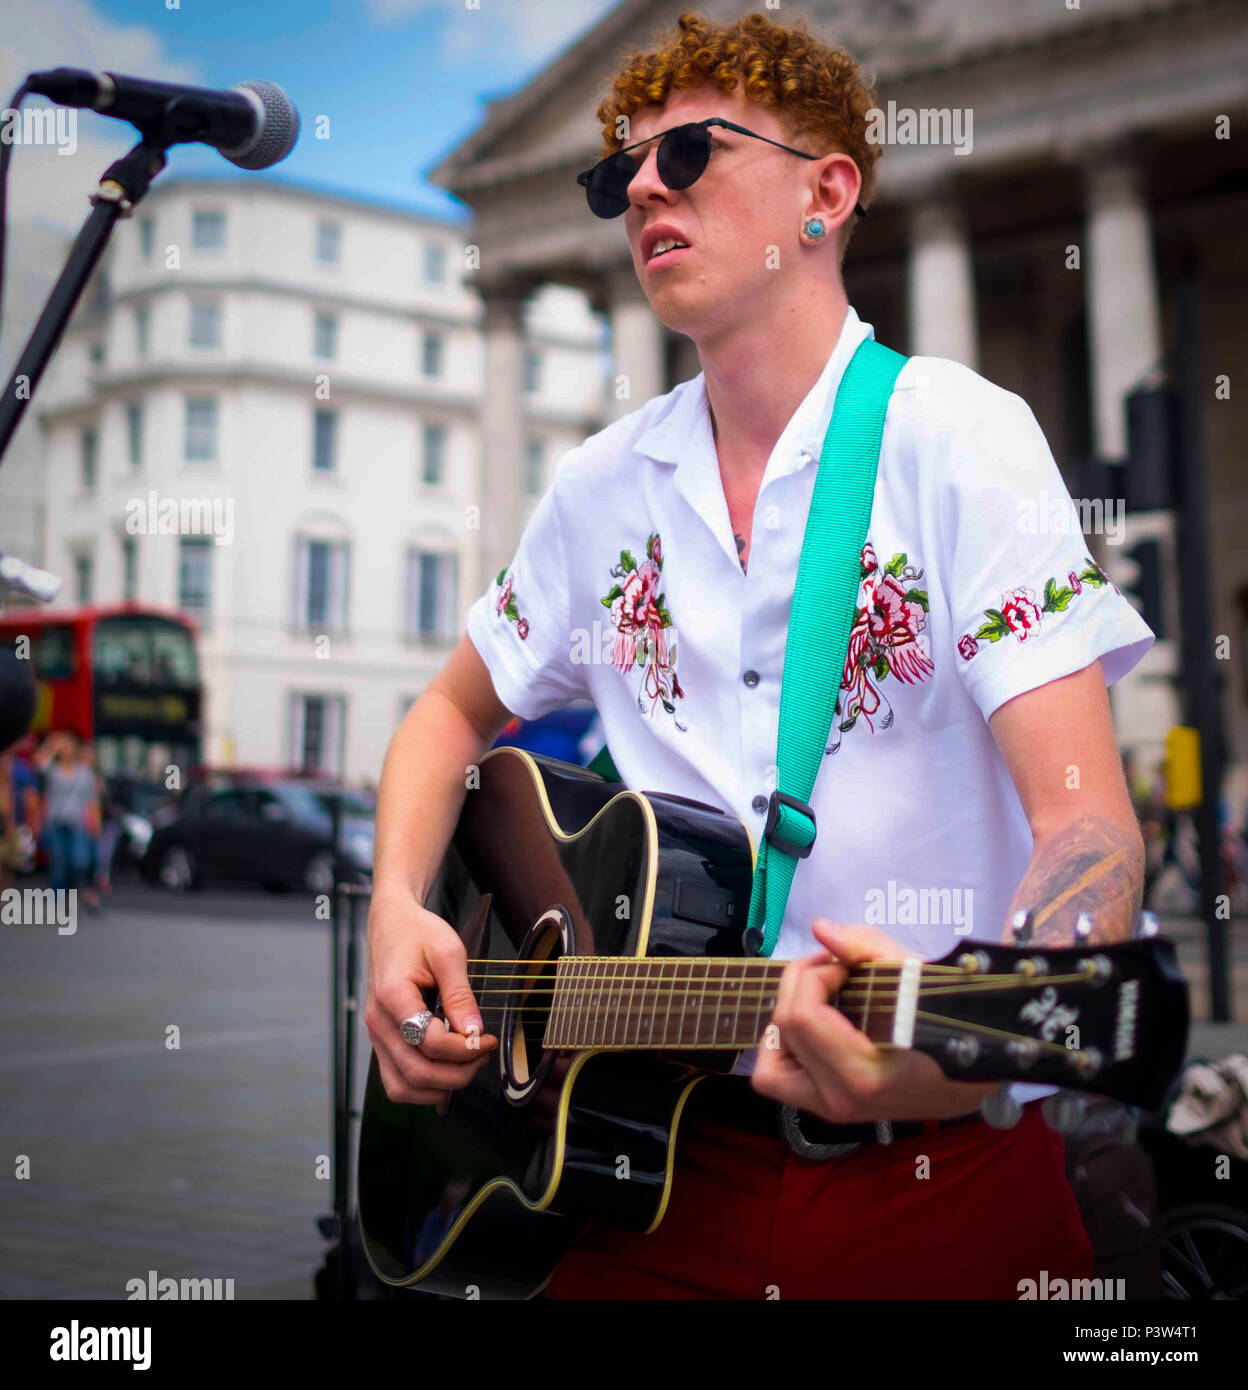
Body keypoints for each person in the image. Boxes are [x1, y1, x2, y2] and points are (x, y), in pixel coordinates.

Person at [365, 10, 1154, 1299]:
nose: (643, 191)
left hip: (935, 1186)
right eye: (619, 172)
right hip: (631, 1190)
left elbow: (1089, 825)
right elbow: (446, 717)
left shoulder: (958, 439)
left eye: (690, 153)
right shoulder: (599, 486)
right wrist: (397, 908)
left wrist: (970, 1042)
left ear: (825, 194)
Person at [35, 731, 100, 906]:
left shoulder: (84, 772)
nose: (67, 749)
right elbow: (38, 763)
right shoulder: (52, 770)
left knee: (77, 861)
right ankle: (58, 900)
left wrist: (95, 823)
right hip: (55, 821)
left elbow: (91, 800)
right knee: (58, 862)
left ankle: (69, 893)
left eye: (69, 745)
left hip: (77, 822)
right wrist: (52, 745)